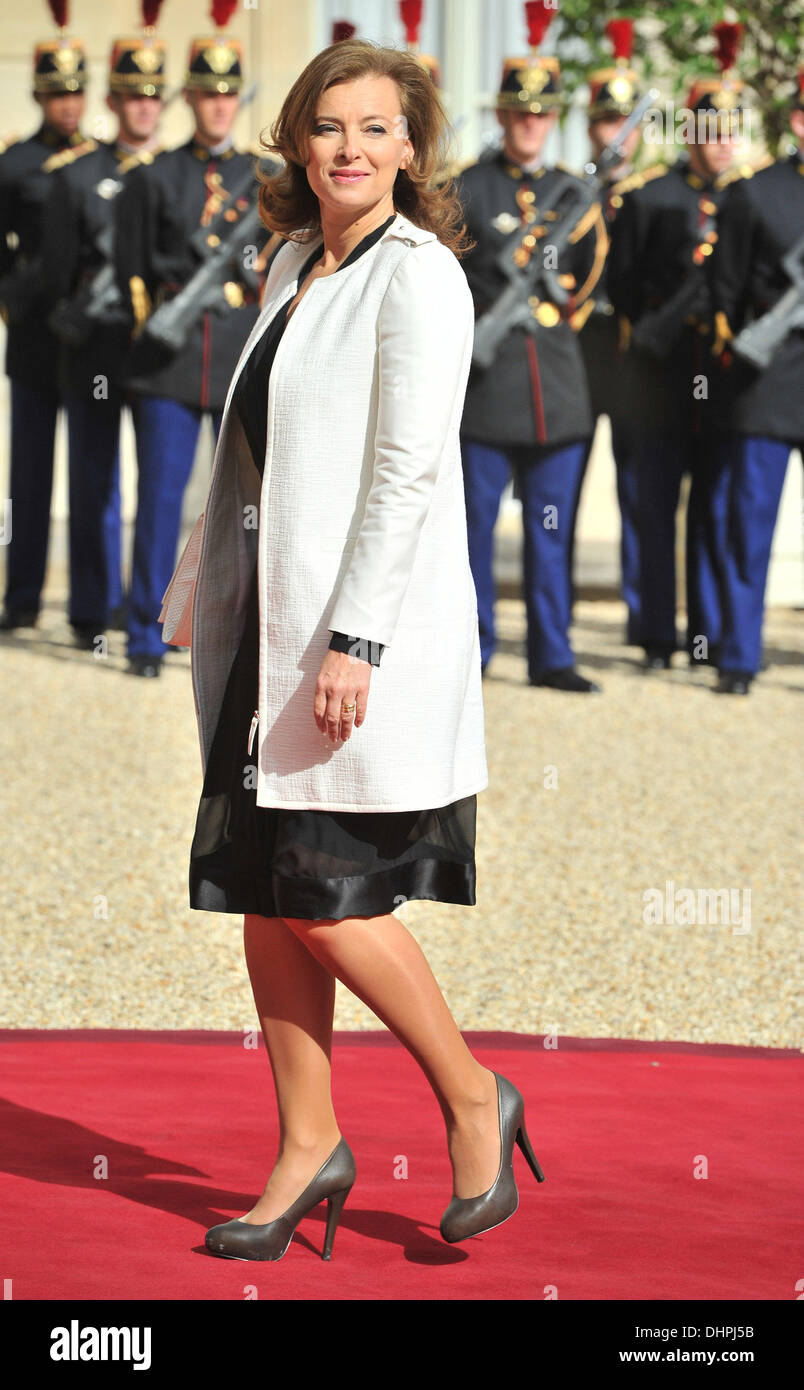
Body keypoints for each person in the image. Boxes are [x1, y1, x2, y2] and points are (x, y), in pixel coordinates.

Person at [159, 37, 545, 1260]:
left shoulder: (420, 275)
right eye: (330, 125)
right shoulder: (285, 262)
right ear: (297, 140)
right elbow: (251, 453)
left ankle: (475, 1092)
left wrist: (356, 638)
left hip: (349, 639)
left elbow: (404, 472)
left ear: (412, 149)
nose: (350, 148)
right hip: (263, 630)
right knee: (267, 901)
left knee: (327, 897)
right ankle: (306, 1144)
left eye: (376, 128)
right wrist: (194, 588)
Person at [455, 4, 608, 693]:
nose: (531, 122)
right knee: (472, 531)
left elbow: (599, 279)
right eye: (521, 111)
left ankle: (551, 652)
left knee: (551, 531)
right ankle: (473, 648)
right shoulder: (466, 188)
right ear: (503, 114)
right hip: (487, 387)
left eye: (542, 113)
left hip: (558, 386)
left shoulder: (575, 192)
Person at [114, 20, 273, 677]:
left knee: (245, 507)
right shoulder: (156, 176)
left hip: (237, 351)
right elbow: (131, 269)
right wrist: (155, 323)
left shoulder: (266, 180)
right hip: (171, 361)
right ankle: (145, 637)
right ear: (189, 99)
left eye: (227, 94)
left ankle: (240, 635)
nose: (217, 105)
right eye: (206, 93)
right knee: (158, 499)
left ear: (237, 101)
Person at [606, 23, 747, 671]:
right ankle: (657, 635)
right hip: (661, 375)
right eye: (710, 131)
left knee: (716, 512)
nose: (721, 144)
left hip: (723, 379)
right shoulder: (652, 198)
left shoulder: (750, 202)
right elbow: (625, 286)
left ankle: (713, 636)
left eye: (730, 131)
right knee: (653, 508)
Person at [41, 23, 167, 648]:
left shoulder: (175, 176)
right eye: (132, 94)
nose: (144, 105)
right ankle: (93, 606)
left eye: (153, 95)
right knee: (94, 479)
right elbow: (57, 275)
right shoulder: (76, 175)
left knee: (159, 484)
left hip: (155, 352)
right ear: (113, 102)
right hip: (95, 351)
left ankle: (147, 608)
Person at [706, 71, 804, 695]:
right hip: (769, 381)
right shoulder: (755, 194)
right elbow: (726, 290)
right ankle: (739, 656)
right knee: (749, 526)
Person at [0, 20, 92, 631]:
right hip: (34, 335)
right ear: (39, 96)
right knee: (29, 474)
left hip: (88, 340)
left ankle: (89, 610)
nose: (69, 104)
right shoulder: (15, 164)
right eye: (58, 93)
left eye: (77, 92)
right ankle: (23, 598)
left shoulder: (100, 164)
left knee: (91, 478)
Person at [574, 17, 653, 647]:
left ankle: (646, 622)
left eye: (625, 125)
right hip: (575, 352)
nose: (615, 136)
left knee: (641, 493)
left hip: (634, 360)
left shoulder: (656, 196)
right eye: (605, 122)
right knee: (559, 492)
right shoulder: (567, 192)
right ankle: (556, 624)